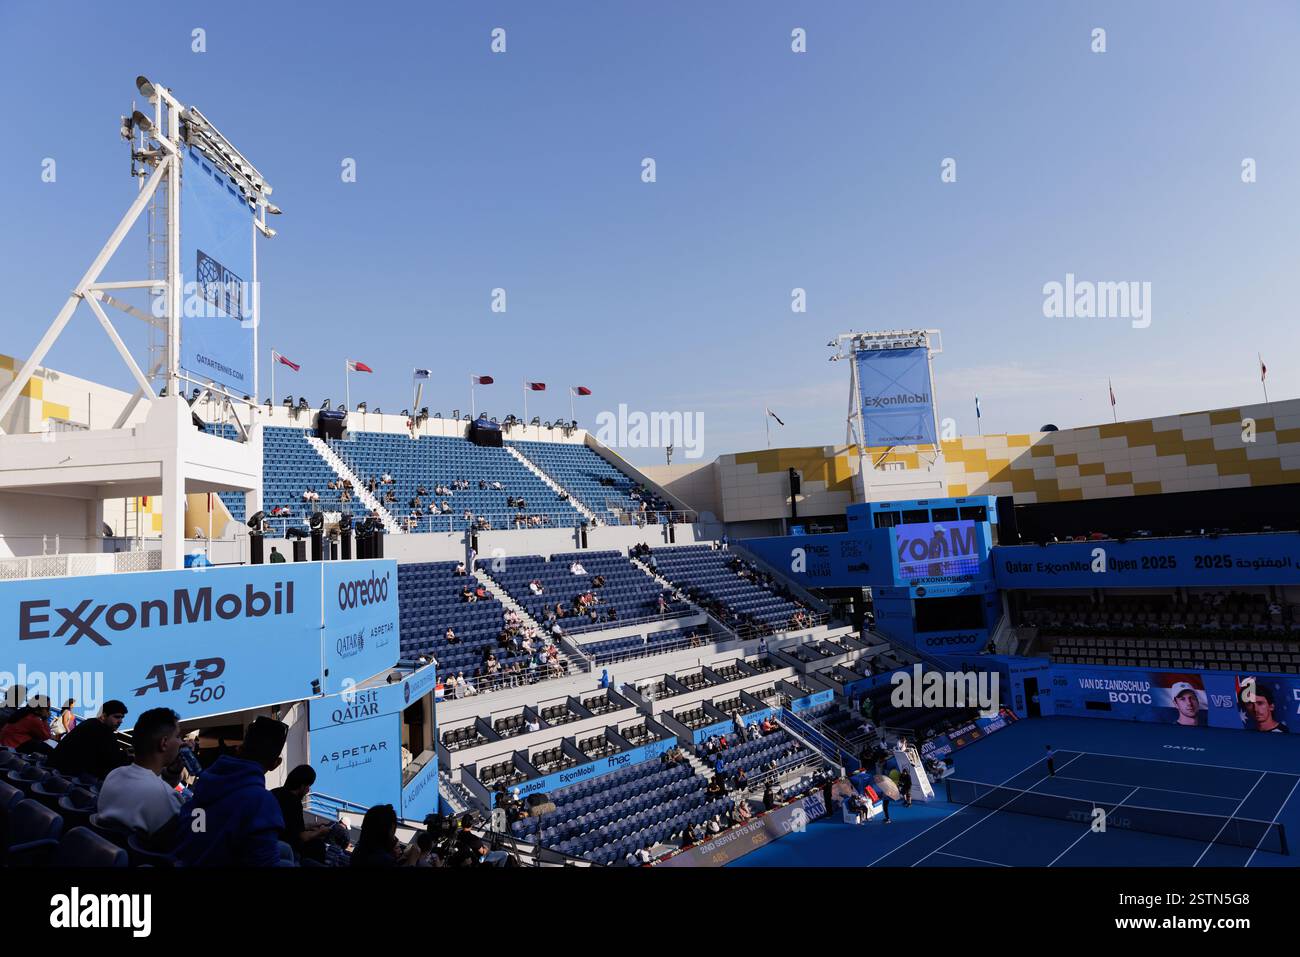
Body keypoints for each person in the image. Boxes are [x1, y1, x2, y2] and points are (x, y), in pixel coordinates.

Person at [176, 717, 291, 867]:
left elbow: (195, 833)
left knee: (285, 850)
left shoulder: (204, 784)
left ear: (239, 749)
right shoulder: (262, 801)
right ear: (275, 764)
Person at [95, 707, 184, 840]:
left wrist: (173, 773)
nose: (181, 742)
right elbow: (195, 835)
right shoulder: (168, 798)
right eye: (178, 736)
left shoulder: (114, 774)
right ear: (164, 743)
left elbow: (150, 787)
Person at [48, 699, 131, 777]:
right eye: (117, 717)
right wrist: (126, 755)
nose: (120, 721)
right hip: (70, 777)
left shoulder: (89, 723)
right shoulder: (103, 732)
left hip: (58, 771)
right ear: (104, 716)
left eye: (122, 717)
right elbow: (113, 761)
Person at [273, 765, 332, 864]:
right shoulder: (294, 801)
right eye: (308, 786)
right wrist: (321, 832)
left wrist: (311, 826)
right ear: (302, 785)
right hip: (287, 851)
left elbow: (290, 826)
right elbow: (301, 837)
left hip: (273, 842)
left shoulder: (276, 792)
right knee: (317, 846)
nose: (308, 790)